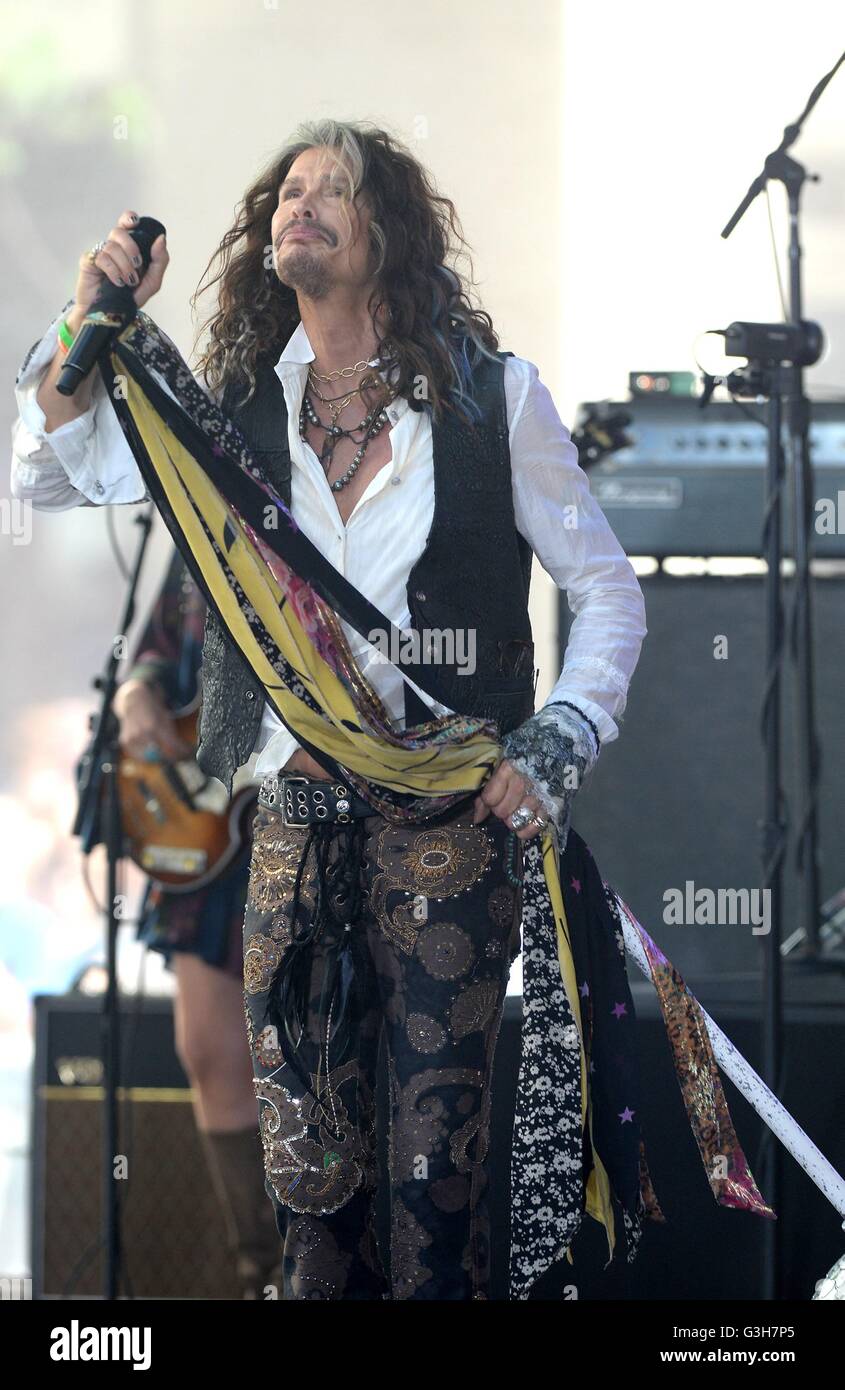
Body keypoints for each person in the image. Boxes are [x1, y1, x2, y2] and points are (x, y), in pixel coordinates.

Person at [11, 119, 650, 1300]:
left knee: (430, 1199)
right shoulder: (227, 418)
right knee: (314, 1207)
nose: (297, 205)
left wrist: (556, 740)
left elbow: (608, 591)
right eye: (286, 192)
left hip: (448, 838)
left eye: (332, 191)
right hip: (291, 834)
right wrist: (89, 305)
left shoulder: (491, 402)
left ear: (387, 235)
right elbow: (48, 463)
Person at [113, 547, 279, 1298]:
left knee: (319, 1063)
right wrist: (137, 697)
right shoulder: (198, 519)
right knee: (210, 1053)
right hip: (212, 835)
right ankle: (261, 1275)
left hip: (310, 821)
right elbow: (152, 651)